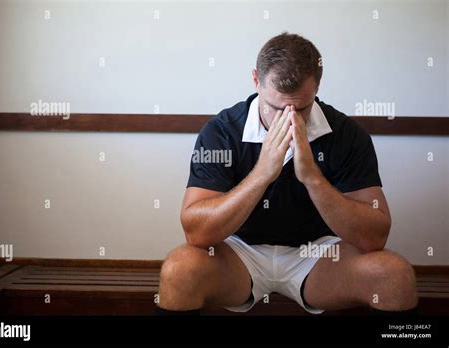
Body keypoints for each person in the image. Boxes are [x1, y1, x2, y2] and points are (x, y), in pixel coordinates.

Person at [156, 32, 418, 316]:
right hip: (239, 253)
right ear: (256, 80)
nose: (288, 119)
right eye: (276, 107)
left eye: (301, 108)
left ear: (317, 87)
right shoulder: (222, 132)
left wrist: (312, 178)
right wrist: (262, 174)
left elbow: (375, 237)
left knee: (395, 275)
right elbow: (196, 233)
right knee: (178, 270)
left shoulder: (347, 135)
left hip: (318, 255)